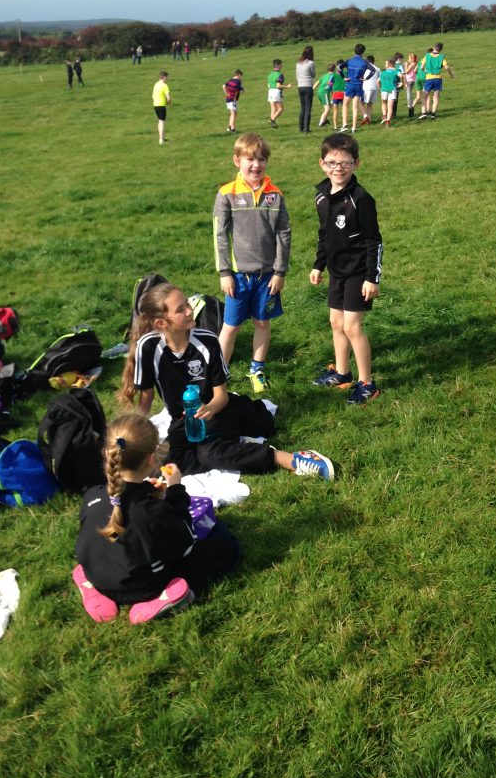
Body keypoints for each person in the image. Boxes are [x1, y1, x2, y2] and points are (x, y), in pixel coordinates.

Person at [118, 283, 334, 480]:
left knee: (210, 453)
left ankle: (290, 459)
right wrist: (136, 435)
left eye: (187, 304)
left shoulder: (207, 341)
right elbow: (146, 397)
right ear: (161, 323)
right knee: (166, 464)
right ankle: (227, 451)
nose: (189, 310)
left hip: (218, 411)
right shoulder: (148, 347)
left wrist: (208, 409)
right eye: (180, 309)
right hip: (184, 422)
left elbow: (220, 396)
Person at [73, 413, 240, 624]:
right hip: (143, 587)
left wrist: (145, 491)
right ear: (152, 458)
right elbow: (185, 544)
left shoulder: (92, 495)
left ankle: (92, 589)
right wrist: (176, 490)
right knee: (225, 545)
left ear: (108, 454)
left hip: (98, 576)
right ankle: (159, 599)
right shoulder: (153, 512)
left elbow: (123, 509)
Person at [213, 133, 290, 393]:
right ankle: (219, 374)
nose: (256, 165)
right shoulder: (227, 194)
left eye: (261, 159)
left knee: (262, 323)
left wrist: (280, 271)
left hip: (267, 277)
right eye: (250, 159)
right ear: (237, 161)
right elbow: (219, 235)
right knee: (231, 326)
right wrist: (224, 272)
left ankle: (257, 368)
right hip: (237, 277)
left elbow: (284, 234)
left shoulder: (275, 196)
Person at [310, 133, 382, 406]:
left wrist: (371, 278)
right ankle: (342, 373)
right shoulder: (322, 196)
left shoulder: (361, 199)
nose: (337, 168)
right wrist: (319, 265)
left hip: (358, 274)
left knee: (352, 327)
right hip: (336, 272)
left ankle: (367, 383)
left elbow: (374, 240)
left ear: (356, 164)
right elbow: (324, 235)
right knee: (336, 323)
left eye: (345, 163)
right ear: (322, 164)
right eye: (332, 163)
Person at [342, 44, 377, 133]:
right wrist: (366, 78)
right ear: (363, 52)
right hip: (358, 85)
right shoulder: (365, 62)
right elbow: (373, 70)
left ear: (354, 51)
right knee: (355, 107)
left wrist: (343, 77)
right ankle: (354, 127)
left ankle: (345, 125)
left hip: (350, 84)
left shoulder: (350, 61)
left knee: (345, 105)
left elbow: (339, 68)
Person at [417, 43, 454, 120]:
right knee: (436, 97)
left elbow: (422, 67)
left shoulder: (427, 56)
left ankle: (423, 113)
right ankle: (433, 114)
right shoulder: (441, 57)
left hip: (429, 78)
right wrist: (451, 75)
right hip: (438, 78)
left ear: (433, 47)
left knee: (425, 96)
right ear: (441, 49)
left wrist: (426, 71)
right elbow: (447, 67)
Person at [295, 46, 316, 133]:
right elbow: (313, 74)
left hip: (300, 86)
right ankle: (306, 128)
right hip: (308, 86)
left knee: (302, 108)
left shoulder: (298, 63)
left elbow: (297, 75)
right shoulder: (311, 63)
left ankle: (300, 127)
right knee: (308, 108)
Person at [267, 59, 290, 128]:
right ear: (278, 65)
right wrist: (287, 86)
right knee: (280, 109)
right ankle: (272, 120)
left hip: (270, 91)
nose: (282, 66)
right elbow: (278, 85)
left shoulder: (270, 75)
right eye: (281, 64)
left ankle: (272, 123)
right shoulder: (280, 75)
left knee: (273, 107)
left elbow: (268, 85)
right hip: (276, 92)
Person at [379, 58, 401, 126]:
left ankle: (384, 116)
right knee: (390, 107)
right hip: (392, 89)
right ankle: (388, 121)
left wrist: (380, 88)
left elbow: (378, 81)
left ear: (388, 64)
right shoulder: (395, 71)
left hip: (384, 90)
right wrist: (402, 83)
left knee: (384, 102)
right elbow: (401, 75)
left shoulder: (383, 72)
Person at [152, 71, 171, 145]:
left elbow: (152, 96)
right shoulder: (164, 85)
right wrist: (169, 103)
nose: (168, 79)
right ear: (164, 77)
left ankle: (162, 137)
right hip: (162, 105)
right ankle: (161, 140)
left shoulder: (156, 84)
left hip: (155, 105)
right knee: (162, 121)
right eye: (167, 78)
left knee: (160, 121)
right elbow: (168, 98)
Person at [360, 55, 380, 125]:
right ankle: (369, 119)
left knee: (361, 103)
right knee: (369, 105)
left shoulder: (365, 68)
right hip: (374, 88)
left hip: (366, 88)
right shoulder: (378, 69)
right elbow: (378, 79)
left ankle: (365, 116)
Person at [315, 64, 337, 128]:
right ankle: (321, 123)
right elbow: (332, 86)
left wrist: (312, 89)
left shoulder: (324, 75)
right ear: (334, 69)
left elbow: (317, 82)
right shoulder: (333, 76)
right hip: (324, 93)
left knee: (329, 106)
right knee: (327, 109)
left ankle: (325, 120)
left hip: (319, 92)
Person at [403, 53, 418, 118]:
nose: (408, 59)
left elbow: (406, 71)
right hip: (412, 79)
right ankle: (410, 107)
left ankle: (410, 107)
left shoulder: (412, 64)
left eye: (409, 58)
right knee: (409, 93)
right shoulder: (414, 63)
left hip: (410, 80)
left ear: (412, 59)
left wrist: (406, 65)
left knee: (409, 93)